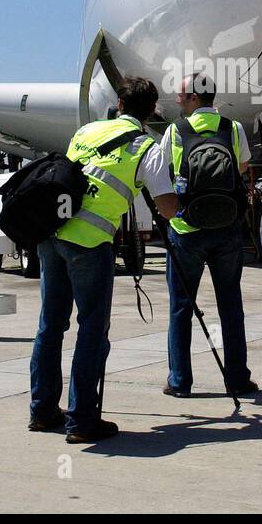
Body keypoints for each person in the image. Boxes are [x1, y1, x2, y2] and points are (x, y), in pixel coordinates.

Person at [29, 76, 177, 444]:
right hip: (89, 243)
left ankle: (43, 411)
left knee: (51, 326)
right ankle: (81, 420)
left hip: (52, 233)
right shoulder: (147, 147)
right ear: (152, 110)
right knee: (92, 329)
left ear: (118, 103)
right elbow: (168, 208)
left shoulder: (87, 131)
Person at [151, 72, 257, 399]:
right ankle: (237, 379)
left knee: (182, 308)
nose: (177, 98)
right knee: (230, 305)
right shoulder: (233, 128)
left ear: (195, 97)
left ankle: (180, 381)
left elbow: (160, 169)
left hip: (186, 230)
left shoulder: (175, 130)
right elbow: (241, 168)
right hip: (226, 229)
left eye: (182, 94)